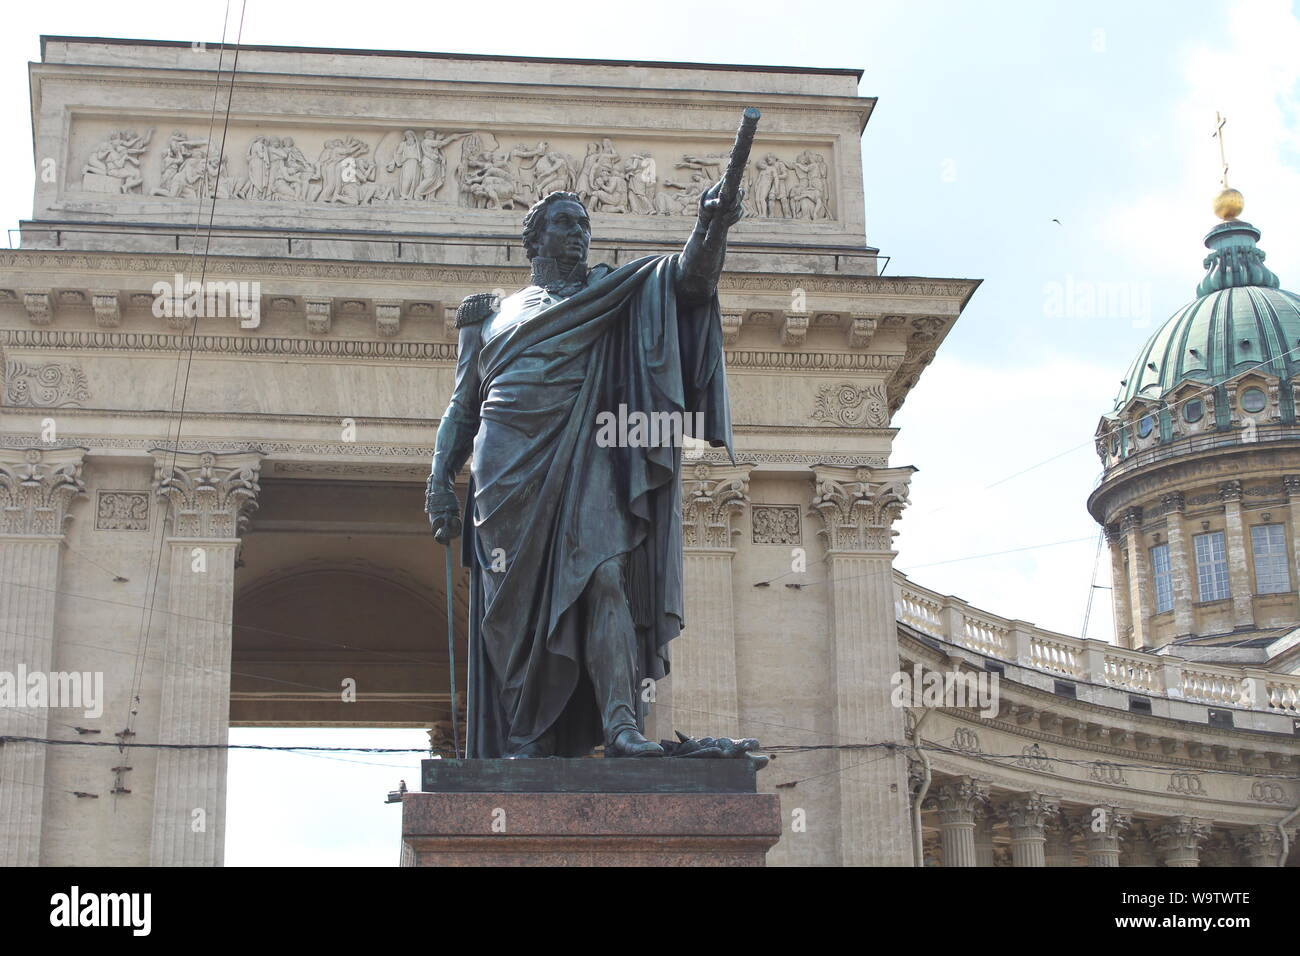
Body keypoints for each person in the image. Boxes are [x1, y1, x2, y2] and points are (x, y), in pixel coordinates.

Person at [426, 181, 743, 758]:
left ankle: (621, 726)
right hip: (504, 469)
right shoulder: (488, 315)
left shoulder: (614, 292)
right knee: (513, 609)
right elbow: (462, 406)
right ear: (534, 239)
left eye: (584, 225)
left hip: (588, 451)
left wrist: (712, 224)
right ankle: (528, 736)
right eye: (565, 224)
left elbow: (690, 282)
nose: (579, 234)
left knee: (604, 574)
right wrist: (438, 480)